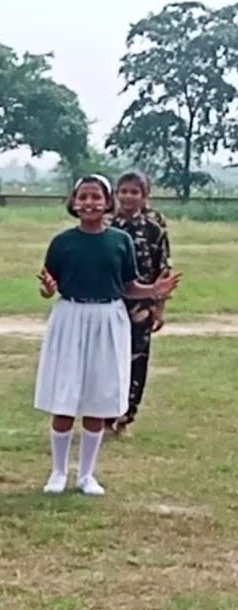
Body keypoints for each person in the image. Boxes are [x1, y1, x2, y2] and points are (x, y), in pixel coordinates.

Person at [35, 174, 181, 496]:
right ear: (73, 203)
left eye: (96, 197)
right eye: (83, 197)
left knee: (97, 399)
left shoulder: (120, 241)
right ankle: (58, 471)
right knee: (65, 396)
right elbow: (50, 286)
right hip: (71, 316)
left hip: (107, 317)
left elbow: (128, 286)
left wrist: (154, 290)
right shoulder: (62, 242)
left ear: (106, 202)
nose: (90, 203)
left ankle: (86, 475)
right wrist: (47, 289)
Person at [108, 171, 171, 436]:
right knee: (108, 358)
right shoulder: (107, 223)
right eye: (123, 191)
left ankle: (125, 417)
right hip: (110, 302)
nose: (128, 197)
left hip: (141, 305)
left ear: (145, 195)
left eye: (134, 192)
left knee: (137, 358)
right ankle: (104, 415)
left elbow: (163, 268)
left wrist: (159, 307)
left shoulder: (154, 226)